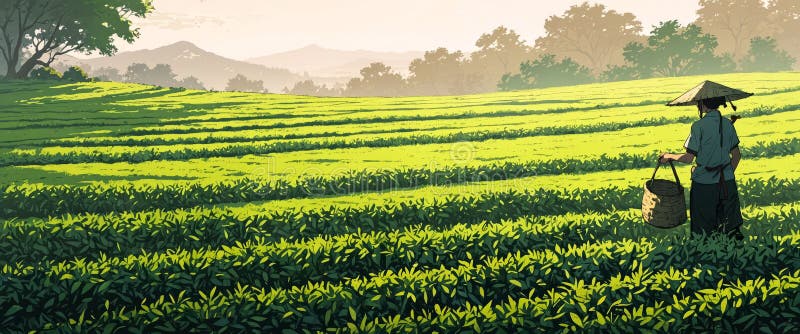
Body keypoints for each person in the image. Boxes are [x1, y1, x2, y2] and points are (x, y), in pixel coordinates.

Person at [659, 96, 744, 239]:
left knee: (703, 231)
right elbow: (736, 156)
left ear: (703, 105)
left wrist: (669, 156)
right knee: (730, 228)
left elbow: (688, 158)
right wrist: (725, 173)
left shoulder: (698, 126)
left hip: (704, 184)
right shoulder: (728, 124)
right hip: (727, 183)